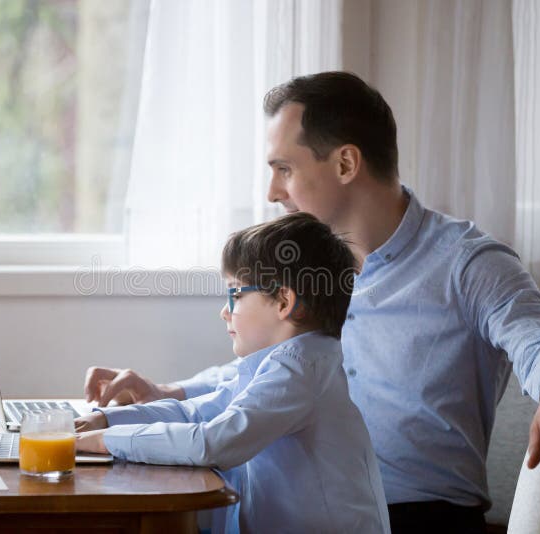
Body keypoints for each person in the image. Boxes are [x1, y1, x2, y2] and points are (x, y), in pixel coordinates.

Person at [82, 72, 540, 533]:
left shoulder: (466, 264)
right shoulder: (310, 268)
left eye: (284, 168)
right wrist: (167, 391)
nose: (271, 191)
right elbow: (281, 372)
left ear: (346, 162)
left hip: (414, 519)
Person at [75, 212, 391, 534]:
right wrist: (107, 419)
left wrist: (104, 441)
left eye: (236, 294)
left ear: (284, 302)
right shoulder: (277, 365)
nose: (225, 310)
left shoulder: (301, 370)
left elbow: (215, 442)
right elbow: (195, 411)